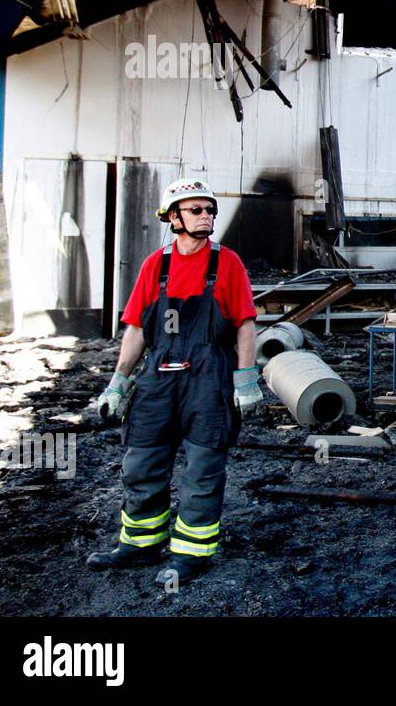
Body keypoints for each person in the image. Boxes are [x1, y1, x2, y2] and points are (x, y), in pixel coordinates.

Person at [87, 177, 263, 586]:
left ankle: (191, 553)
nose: (207, 217)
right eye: (196, 210)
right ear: (172, 217)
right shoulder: (156, 265)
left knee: (202, 468)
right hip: (158, 379)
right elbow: (135, 329)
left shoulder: (227, 263)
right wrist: (117, 382)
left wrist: (246, 377)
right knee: (142, 461)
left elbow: (245, 325)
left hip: (209, 379)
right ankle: (139, 543)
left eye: (210, 210)